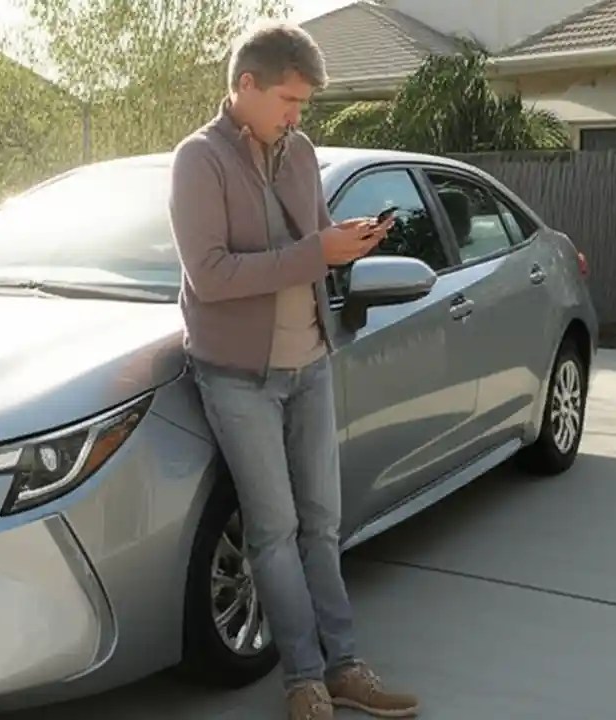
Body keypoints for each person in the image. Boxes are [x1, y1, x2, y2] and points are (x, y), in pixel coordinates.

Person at [167, 20, 421, 720]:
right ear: (245, 85)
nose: (296, 115)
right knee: (273, 531)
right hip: (238, 376)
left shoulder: (301, 152)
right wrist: (319, 254)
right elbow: (211, 276)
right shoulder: (198, 161)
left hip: (311, 363)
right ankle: (302, 680)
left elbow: (311, 243)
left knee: (322, 526)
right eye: (288, 99)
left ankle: (346, 668)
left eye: (304, 104)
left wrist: (350, 242)